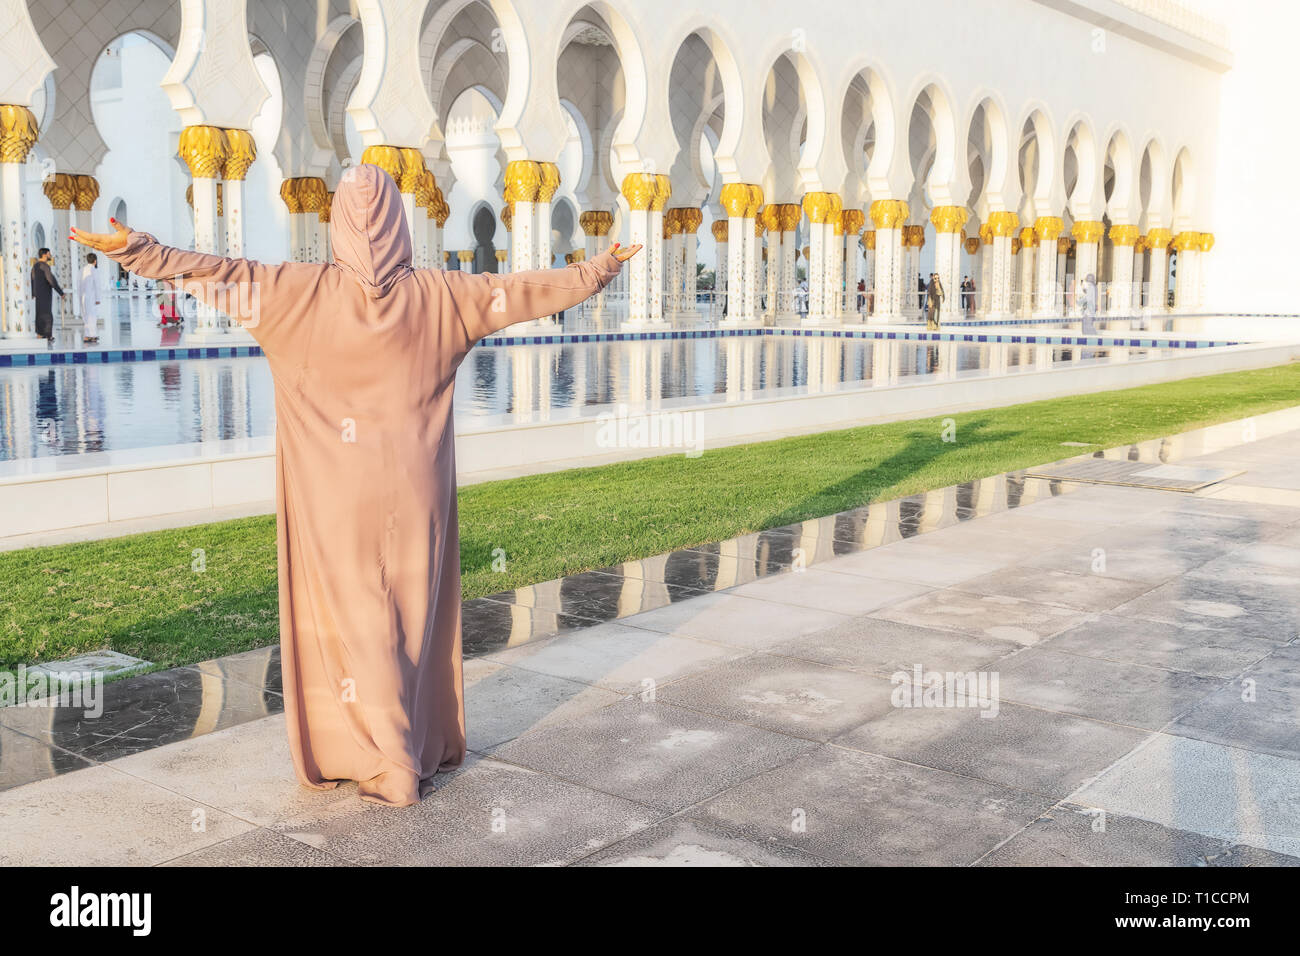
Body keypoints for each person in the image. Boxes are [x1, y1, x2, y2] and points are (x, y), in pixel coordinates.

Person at [72, 164, 639, 808]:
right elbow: (520, 290)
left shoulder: (291, 291)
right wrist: (598, 269)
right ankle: (408, 745)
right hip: (413, 490)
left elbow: (212, 272)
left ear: (337, 223)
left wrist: (138, 250)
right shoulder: (443, 295)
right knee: (408, 614)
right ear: (399, 222)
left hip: (332, 495)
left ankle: (381, 755)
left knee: (350, 616)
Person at [31, 248, 65, 347]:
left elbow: (32, 279)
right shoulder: (44, 266)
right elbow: (51, 280)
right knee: (47, 316)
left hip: (38, 295)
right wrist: (61, 292)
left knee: (40, 314)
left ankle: (40, 334)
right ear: (45, 255)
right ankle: (47, 336)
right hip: (45, 294)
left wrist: (33, 293)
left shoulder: (35, 265)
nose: (51, 255)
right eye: (49, 254)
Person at [79, 252, 103, 344]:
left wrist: (80, 297)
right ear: (95, 261)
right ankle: (92, 335)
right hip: (92, 297)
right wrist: (98, 299)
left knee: (86, 316)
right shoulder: (94, 270)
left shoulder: (82, 270)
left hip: (83, 297)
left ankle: (87, 335)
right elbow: (97, 285)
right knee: (92, 316)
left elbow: (79, 284)